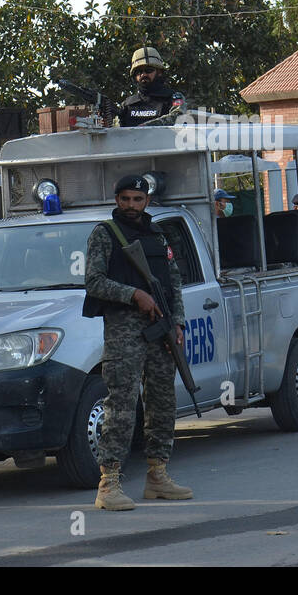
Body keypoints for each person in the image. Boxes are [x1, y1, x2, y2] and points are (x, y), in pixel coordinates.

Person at [82, 174, 192, 510]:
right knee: (122, 406)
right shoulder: (104, 235)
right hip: (124, 332)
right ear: (117, 200)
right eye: (126, 199)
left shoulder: (158, 235)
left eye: (138, 200)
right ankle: (108, 484)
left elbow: (173, 283)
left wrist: (178, 323)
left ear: (147, 202)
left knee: (163, 402)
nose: (131, 206)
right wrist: (134, 295)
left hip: (160, 329)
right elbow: (94, 282)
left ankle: (158, 475)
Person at [119, 47, 187, 127]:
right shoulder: (127, 105)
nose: (143, 75)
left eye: (148, 70)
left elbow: (178, 118)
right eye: (139, 72)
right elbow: (114, 129)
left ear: (159, 72)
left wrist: (144, 128)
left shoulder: (172, 98)